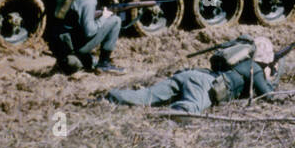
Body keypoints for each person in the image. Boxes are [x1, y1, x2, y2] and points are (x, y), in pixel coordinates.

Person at [105, 36, 280, 113]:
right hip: (204, 85)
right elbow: (268, 95)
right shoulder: (254, 67)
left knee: (147, 95)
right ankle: (165, 116)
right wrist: (272, 76)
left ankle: (112, 96)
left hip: (192, 74)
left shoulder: (238, 59)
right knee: (189, 109)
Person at [51, 0, 123, 73]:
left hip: (64, 44)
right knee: (115, 20)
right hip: (75, 47)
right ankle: (104, 63)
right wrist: (104, 16)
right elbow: (90, 32)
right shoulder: (89, 0)